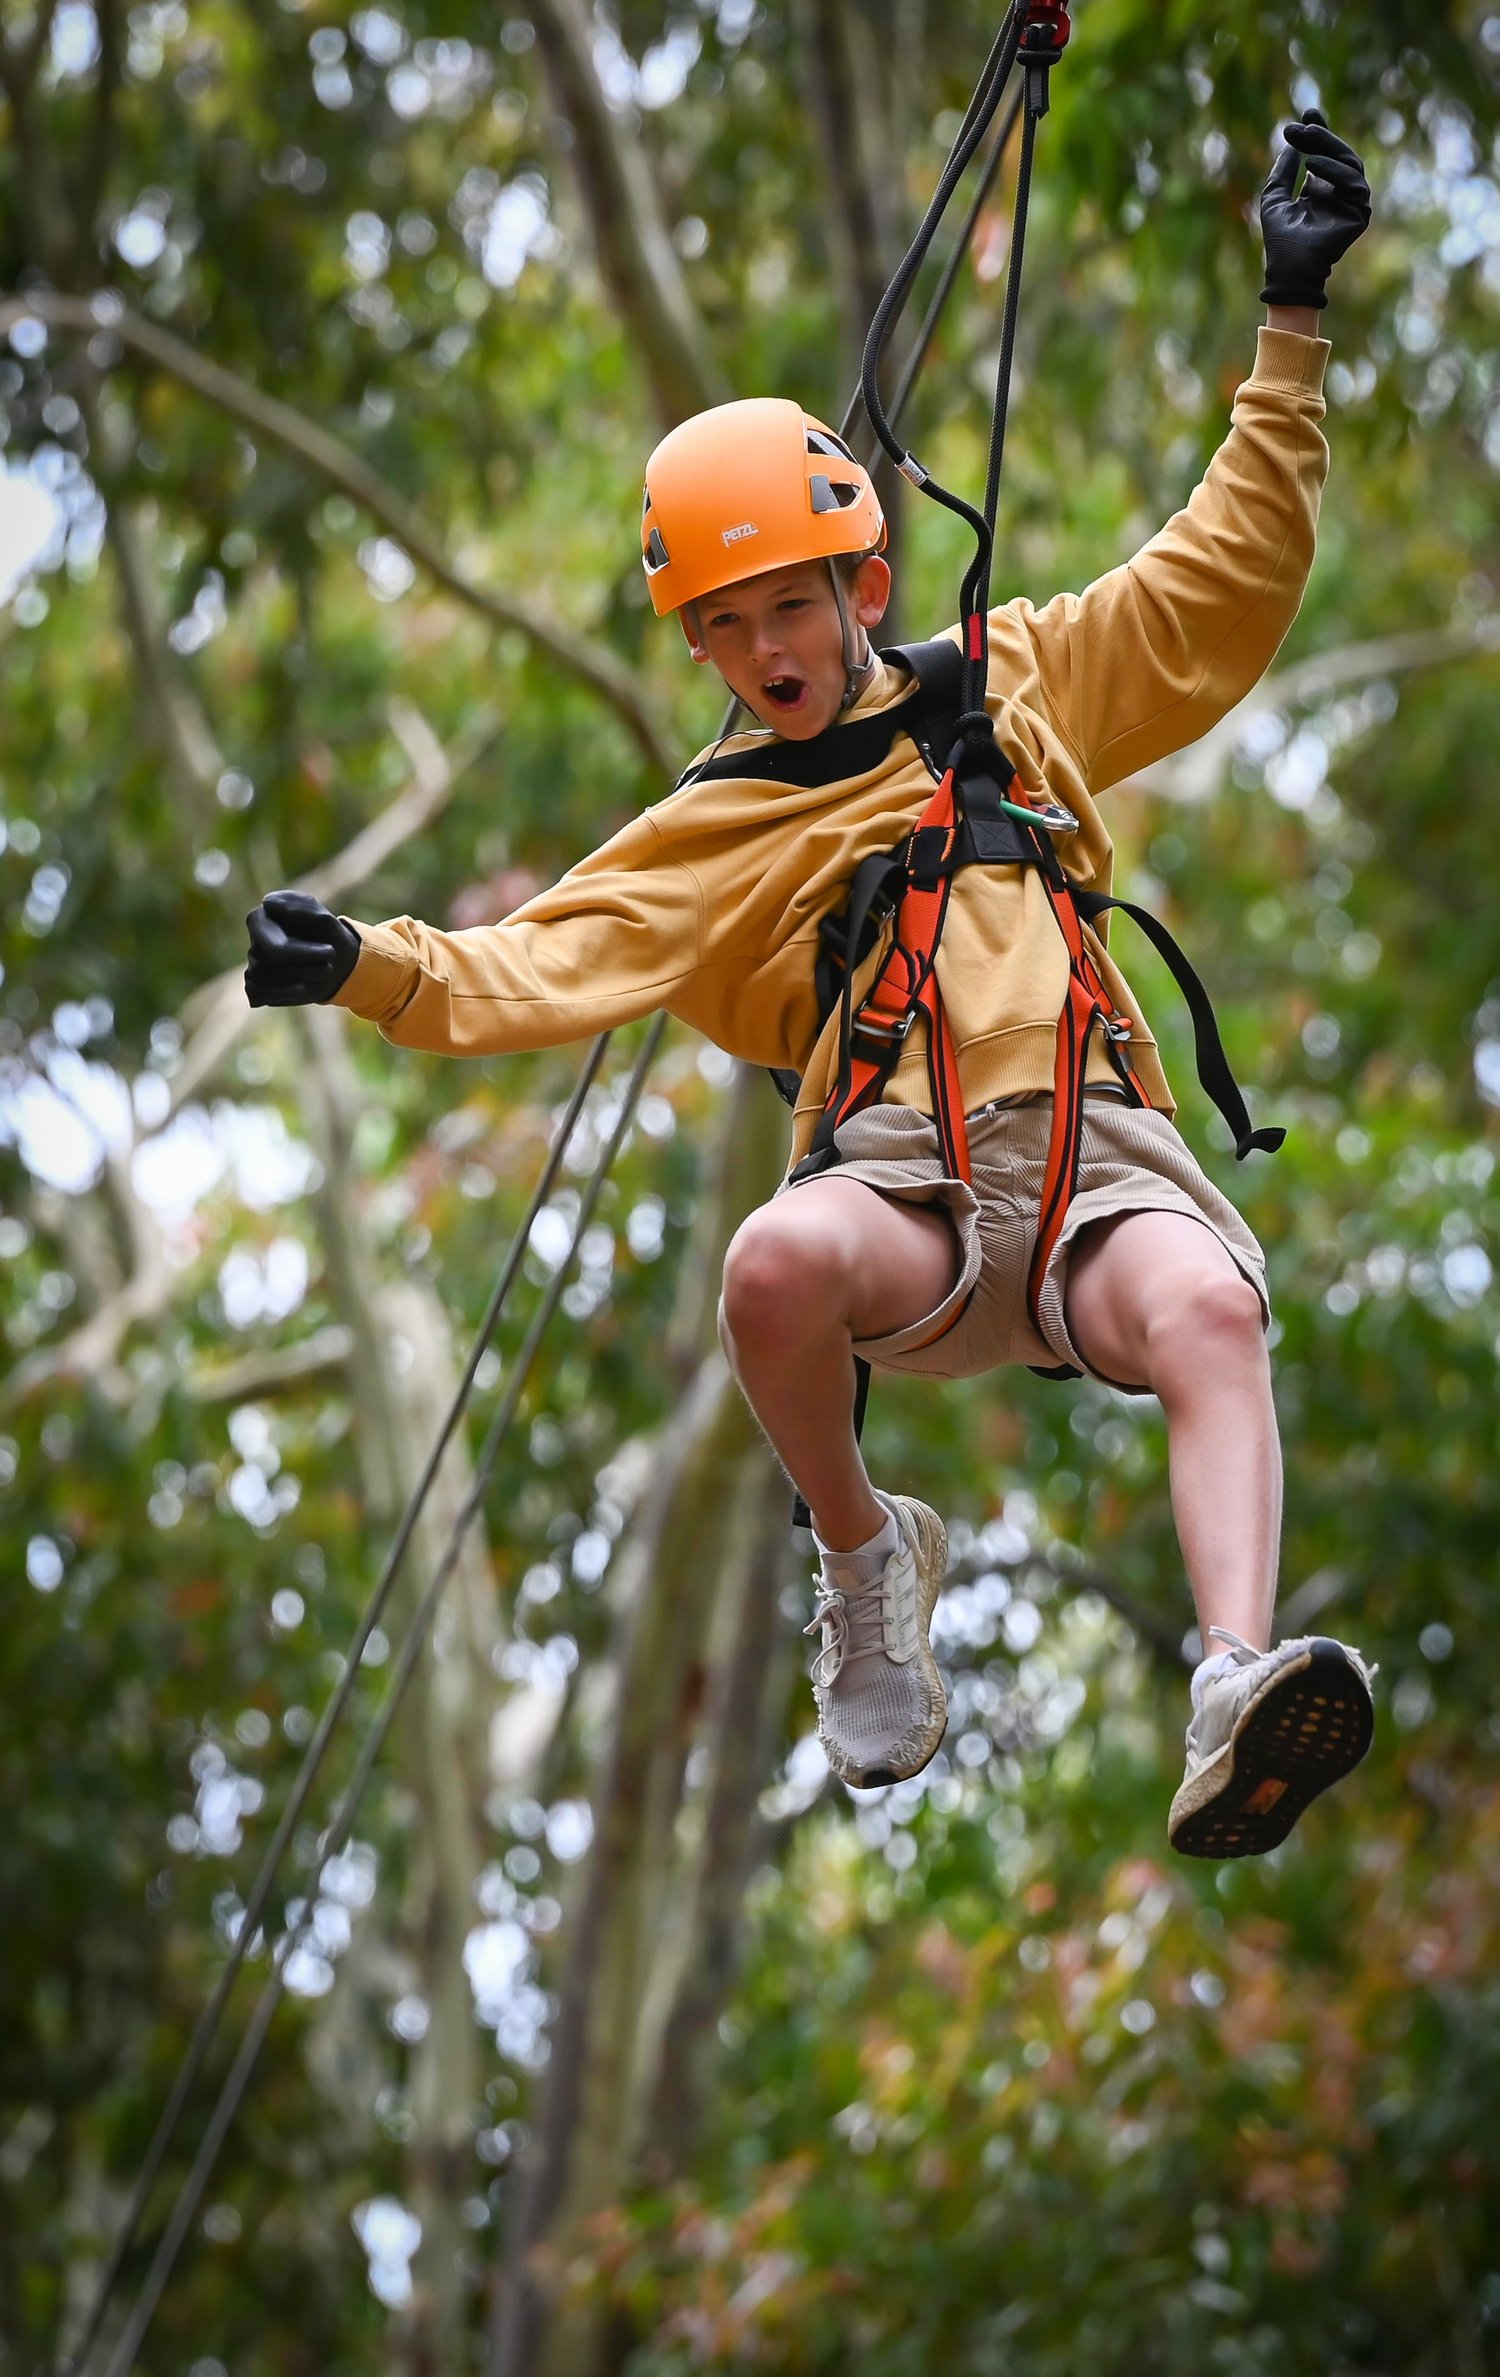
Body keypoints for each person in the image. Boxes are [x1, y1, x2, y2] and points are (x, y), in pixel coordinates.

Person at [246, 112, 1377, 1858]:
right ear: (693, 644)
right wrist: (373, 967)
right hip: (903, 1194)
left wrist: (1288, 321)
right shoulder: (717, 824)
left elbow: (1219, 586)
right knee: (769, 1261)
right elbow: (546, 953)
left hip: (1090, 1165)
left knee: (1216, 1313)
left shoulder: (1015, 679)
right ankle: (867, 1553)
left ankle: (1234, 1675)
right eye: (721, 624)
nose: (763, 650)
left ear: (864, 577)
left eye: (787, 603)